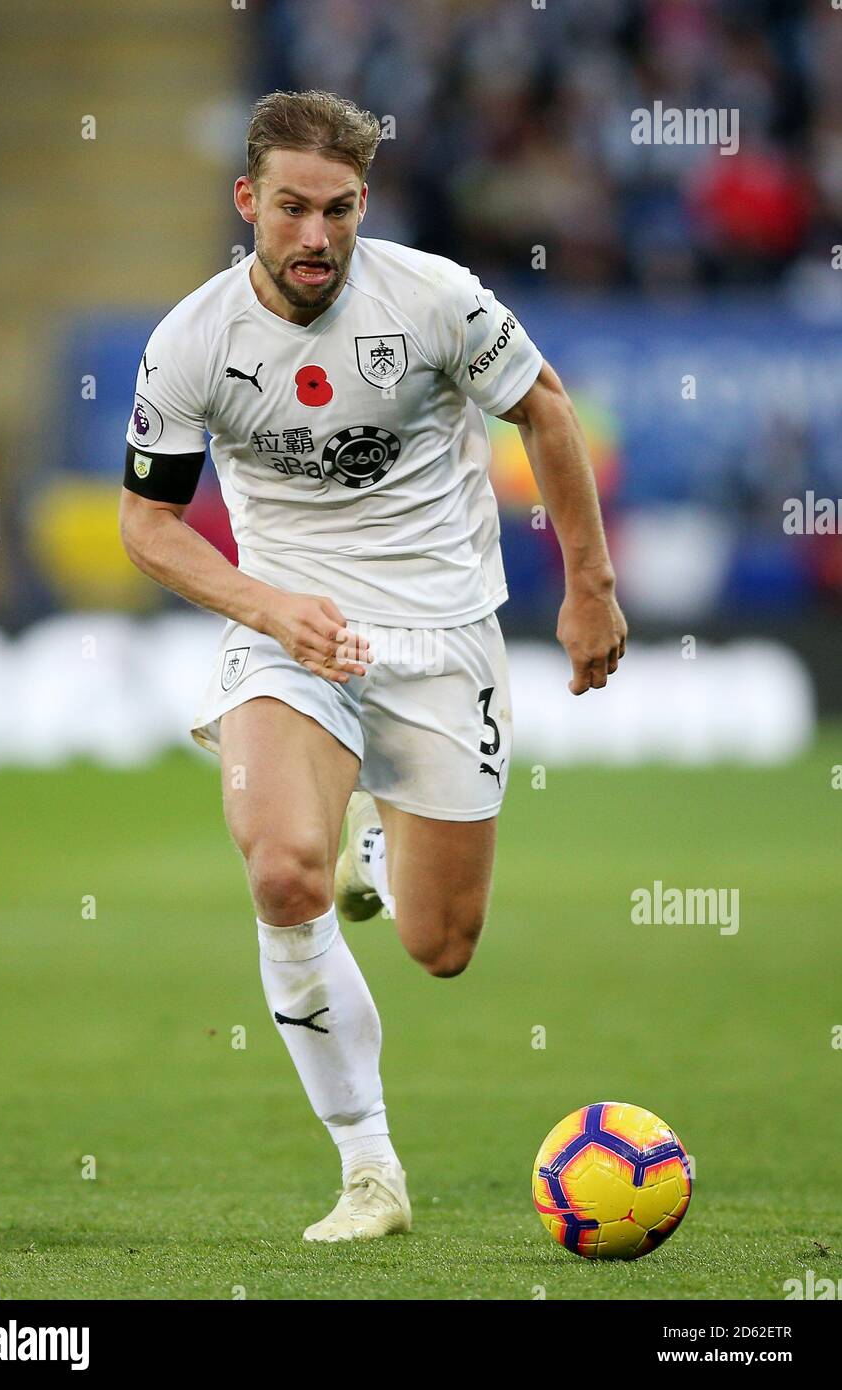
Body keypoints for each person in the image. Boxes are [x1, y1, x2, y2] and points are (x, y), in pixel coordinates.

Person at [119, 88, 627, 1242]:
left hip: (445, 633)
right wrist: (269, 607)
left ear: (364, 203)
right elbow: (146, 527)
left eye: (338, 209)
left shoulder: (436, 297)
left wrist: (589, 589)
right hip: (291, 633)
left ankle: (378, 829)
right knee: (285, 874)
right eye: (291, 208)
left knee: (438, 948)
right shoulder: (191, 339)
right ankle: (369, 1171)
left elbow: (546, 411)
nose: (315, 235)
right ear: (248, 201)